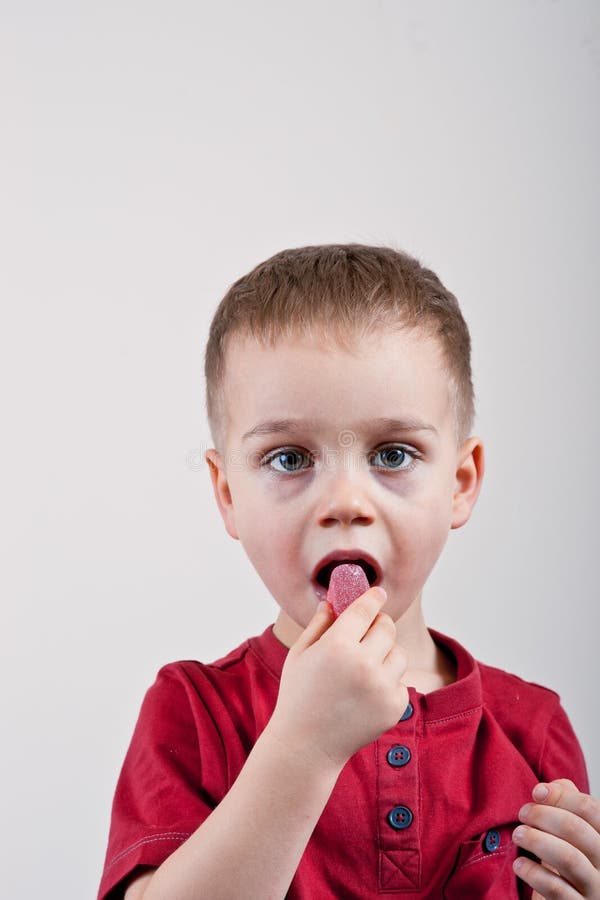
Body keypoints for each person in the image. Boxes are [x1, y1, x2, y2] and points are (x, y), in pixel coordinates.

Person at [98, 244, 599, 899]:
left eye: (393, 454)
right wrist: (305, 747)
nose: (344, 504)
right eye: (288, 459)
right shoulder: (191, 712)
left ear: (460, 483)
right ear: (227, 495)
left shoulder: (531, 730)